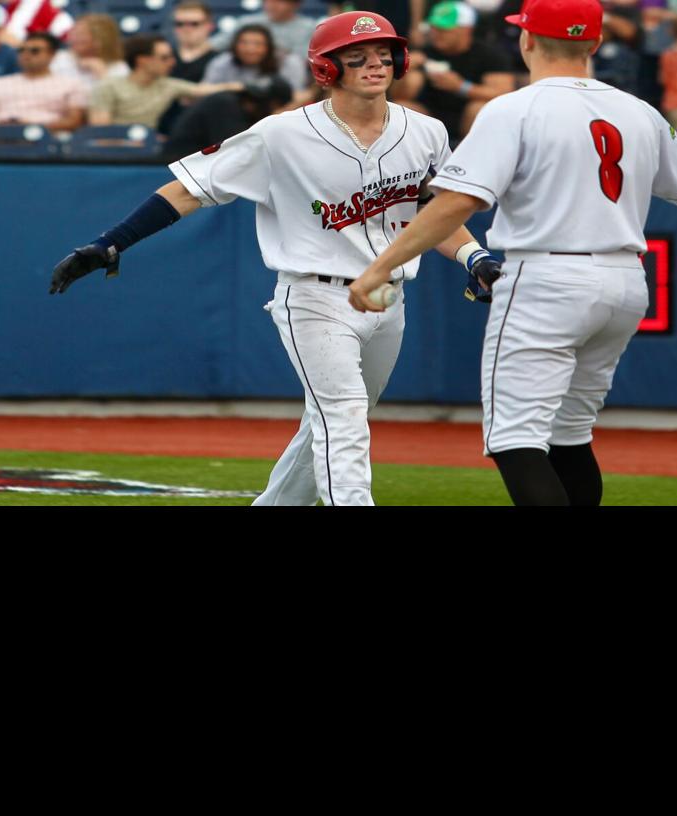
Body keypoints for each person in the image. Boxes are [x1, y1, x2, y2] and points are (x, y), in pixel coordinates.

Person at [47, 11, 503, 508]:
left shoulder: (427, 131)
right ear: (327, 69)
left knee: (326, 425)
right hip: (316, 296)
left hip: (389, 298)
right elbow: (189, 190)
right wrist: (111, 242)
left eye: (384, 54)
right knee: (344, 417)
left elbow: (433, 216)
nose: (377, 64)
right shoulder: (281, 134)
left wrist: (474, 256)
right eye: (359, 57)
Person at [347, 0, 677, 507]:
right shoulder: (639, 110)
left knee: (514, 438)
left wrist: (378, 267)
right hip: (624, 285)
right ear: (595, 44)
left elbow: (457, 203)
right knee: (569, 434)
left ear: (527, 40)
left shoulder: (516, 107)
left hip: (547, 279)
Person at [394, 1, 512, 141]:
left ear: (466, 30)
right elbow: (395, 96)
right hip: (431, 113)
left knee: (477, 108)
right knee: (403, 104)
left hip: (467, 118)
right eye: (433, 28)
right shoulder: (422, 53)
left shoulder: (489, 55)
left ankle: (471, 155)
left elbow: (504, 93)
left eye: (444, 29)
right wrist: (405, 68)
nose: (436, 33)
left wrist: (461, 87)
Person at [89, 33, 239, 130]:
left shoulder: (168, 85)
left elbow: (203, 90)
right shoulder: (108, 85)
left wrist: (241, 86)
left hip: (148, 148)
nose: (172, 62)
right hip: (112, 150)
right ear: (142, 60)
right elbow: (100, 130)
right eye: (164, 58)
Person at [157, 73, 292, 162]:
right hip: (178, 169)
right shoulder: (225, 105)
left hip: (192, 168)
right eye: (249, 97)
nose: (250, 103)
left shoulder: (233, 103)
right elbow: (234, 154)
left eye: (255, 100)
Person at [0, 31, 84, 130]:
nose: (26, 55)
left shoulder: (70, 84)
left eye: (35, 51)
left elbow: (75, 120)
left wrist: (31, 127)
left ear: (52, 54)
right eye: (21, 50)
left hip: (47, 140)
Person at [203, 23, 311, 97]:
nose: (250, 49)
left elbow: (299, 96)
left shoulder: (289, 62)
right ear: (234, 46)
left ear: (269, 47)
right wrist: (236, 87)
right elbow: (202, 91)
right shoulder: (223, 62)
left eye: (258, 44)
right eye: (244, 43)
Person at [210, 0, 316, 61]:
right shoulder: (248, 21)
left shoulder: (309, 27)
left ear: (296, 4)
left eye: (279, 1)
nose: (272, 5)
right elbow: (216, 44)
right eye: (268, 0)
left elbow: (305, 59)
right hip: (243, 73)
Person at [52, 13, 127, 93]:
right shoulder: (56, 59)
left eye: (80, 34)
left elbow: (120, 98)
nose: (72, 38)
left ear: (101, 38)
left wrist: (101, 71)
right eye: (72, 32)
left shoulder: (118, 66)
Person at [169, 0, 218, 83]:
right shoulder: (162, 59)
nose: (186, 29)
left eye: (194, 24)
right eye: (179, 24)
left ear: (210, 26)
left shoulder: (221, 61)